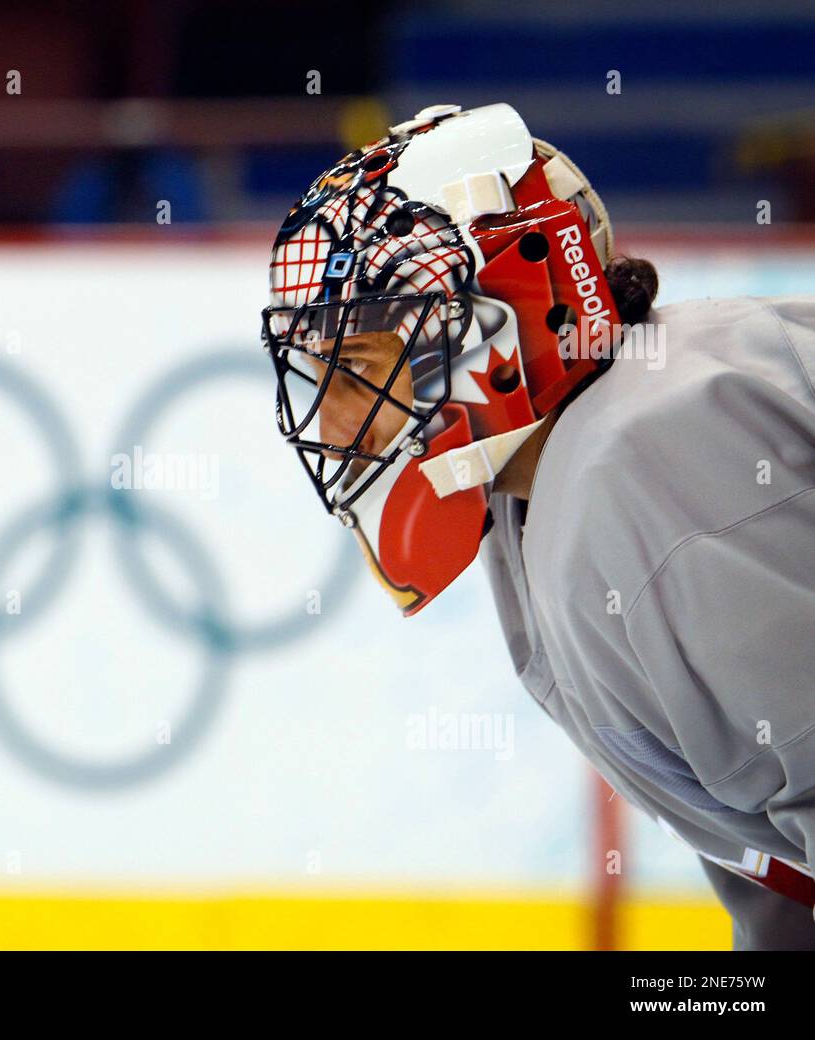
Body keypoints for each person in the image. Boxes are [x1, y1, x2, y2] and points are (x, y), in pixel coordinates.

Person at [260, 102, 815, 950]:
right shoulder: (539, 493)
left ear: (503, 319)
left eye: (361, 367)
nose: (336, 423)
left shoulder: (648, 466)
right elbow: (781, 877)